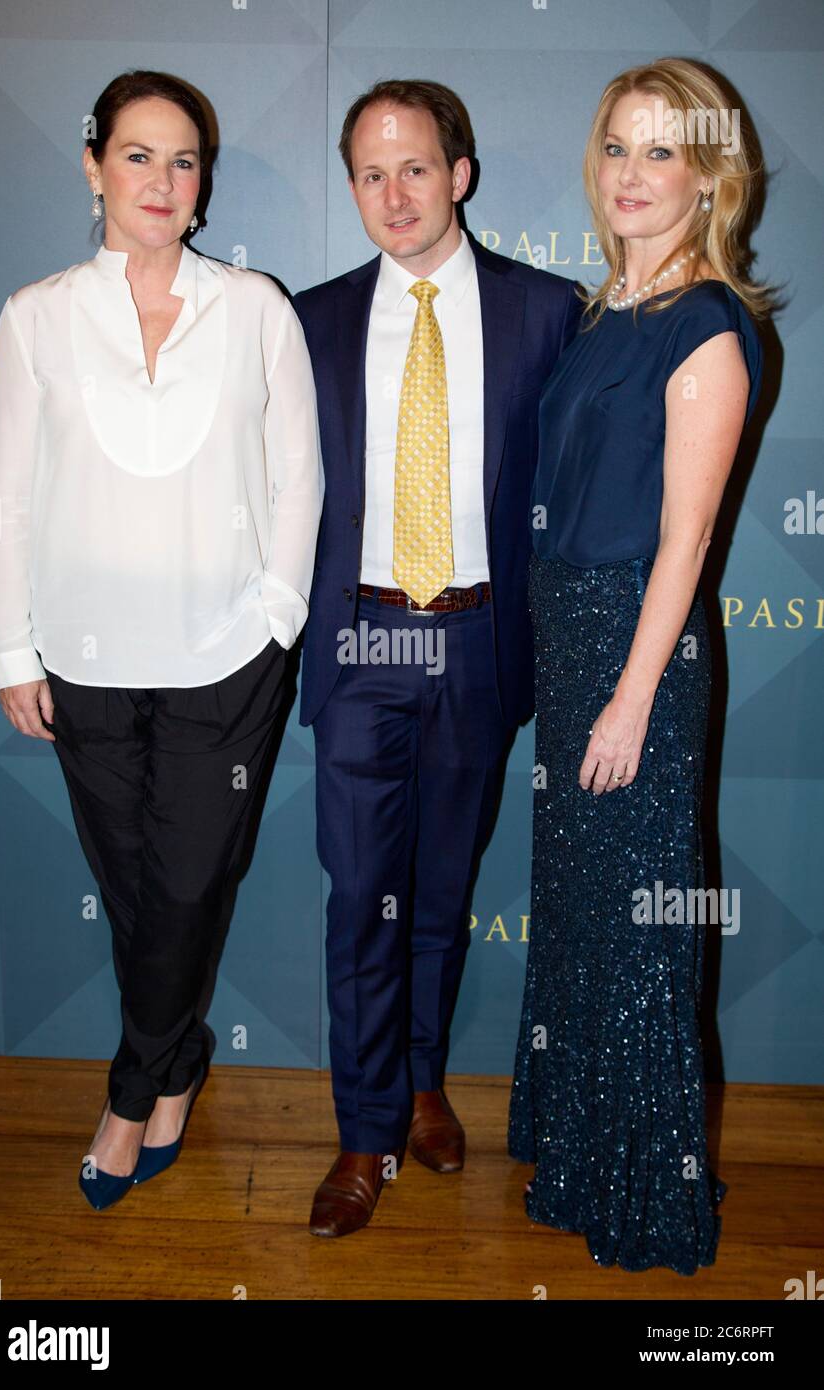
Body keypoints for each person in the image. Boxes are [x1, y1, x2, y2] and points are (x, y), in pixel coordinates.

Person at [0, 70, 323, 1210]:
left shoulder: (255, 307)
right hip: (80, 657)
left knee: (184, 883)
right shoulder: (34, 314)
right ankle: (179, 1062)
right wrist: (11, 649)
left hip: (224, 661)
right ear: (93, 166)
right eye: (138, 155)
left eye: (184, 161)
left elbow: (298, 480)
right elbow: (11, 496)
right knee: (134, 890)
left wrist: (274, 616)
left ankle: (131, 1093)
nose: (163, 181)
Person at [293, 79, 582, 1237]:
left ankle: (420, 1083)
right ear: (352, 187)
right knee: (360, 895)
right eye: (370, 171)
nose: (394, 193)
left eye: (415, 167)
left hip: (475, 638)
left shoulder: (547, 309)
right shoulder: (306, 319)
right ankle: (362, 1136)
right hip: (361, 634)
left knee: (441, 895)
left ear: (458, 175)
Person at [508, 57, 772, 1274]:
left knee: (631, 933)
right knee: (577, 918)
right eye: (617, 145)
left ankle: (641, 1192)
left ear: (708, 174)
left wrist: (625, 698)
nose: (630, 172)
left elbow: (684, 542)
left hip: (637, 654)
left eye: (660, 150)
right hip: (570, 640)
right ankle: (574, 1155)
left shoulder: (709, 325)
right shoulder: (596, 309)